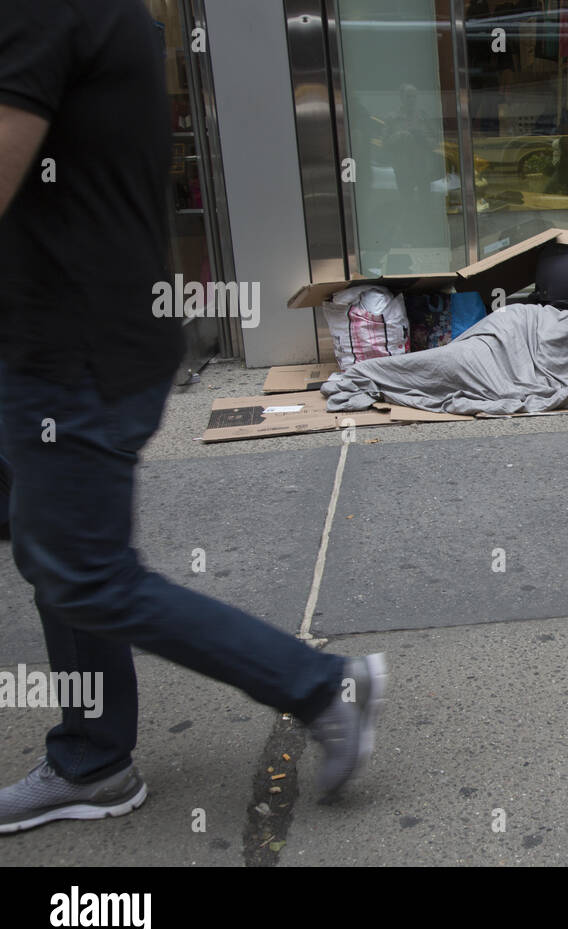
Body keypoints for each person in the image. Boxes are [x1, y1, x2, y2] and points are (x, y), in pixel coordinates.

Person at [0, 0, 386, 834]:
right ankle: (91, 755)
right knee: (53, 555)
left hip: (71, 346)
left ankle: (323, 686)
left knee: (85, 573)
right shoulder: (118, 16)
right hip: (71, 336)